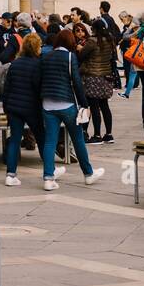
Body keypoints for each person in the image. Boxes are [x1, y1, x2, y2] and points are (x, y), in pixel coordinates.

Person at [40, 28, 104, 191]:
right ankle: (88, 174)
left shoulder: (45, 56)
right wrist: (85, 105)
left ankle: (48, 177)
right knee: (77, 139)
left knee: (49, 141)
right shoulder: (70, 57)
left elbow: (40, 79)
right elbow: (76, 82)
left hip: (48, 104)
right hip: (66, 103)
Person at [1, 32, 63, 186]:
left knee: (15, 139)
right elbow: (39, 88)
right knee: (41, 139)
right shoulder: (38, 64)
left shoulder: (14, 63)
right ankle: (50, 170)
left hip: (14, 107)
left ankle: (10, 174)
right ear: (36, 47)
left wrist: (6, 108)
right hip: (31, 107)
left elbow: (6, 88)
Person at [78, 17, 116, 143]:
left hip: (92, 76)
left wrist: (79, 49)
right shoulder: (110, 40)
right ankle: (109, 134)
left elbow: (82, 55)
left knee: (94, 106)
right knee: (104, 105)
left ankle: (97, 135)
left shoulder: (92, 41)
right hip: (106, 76)